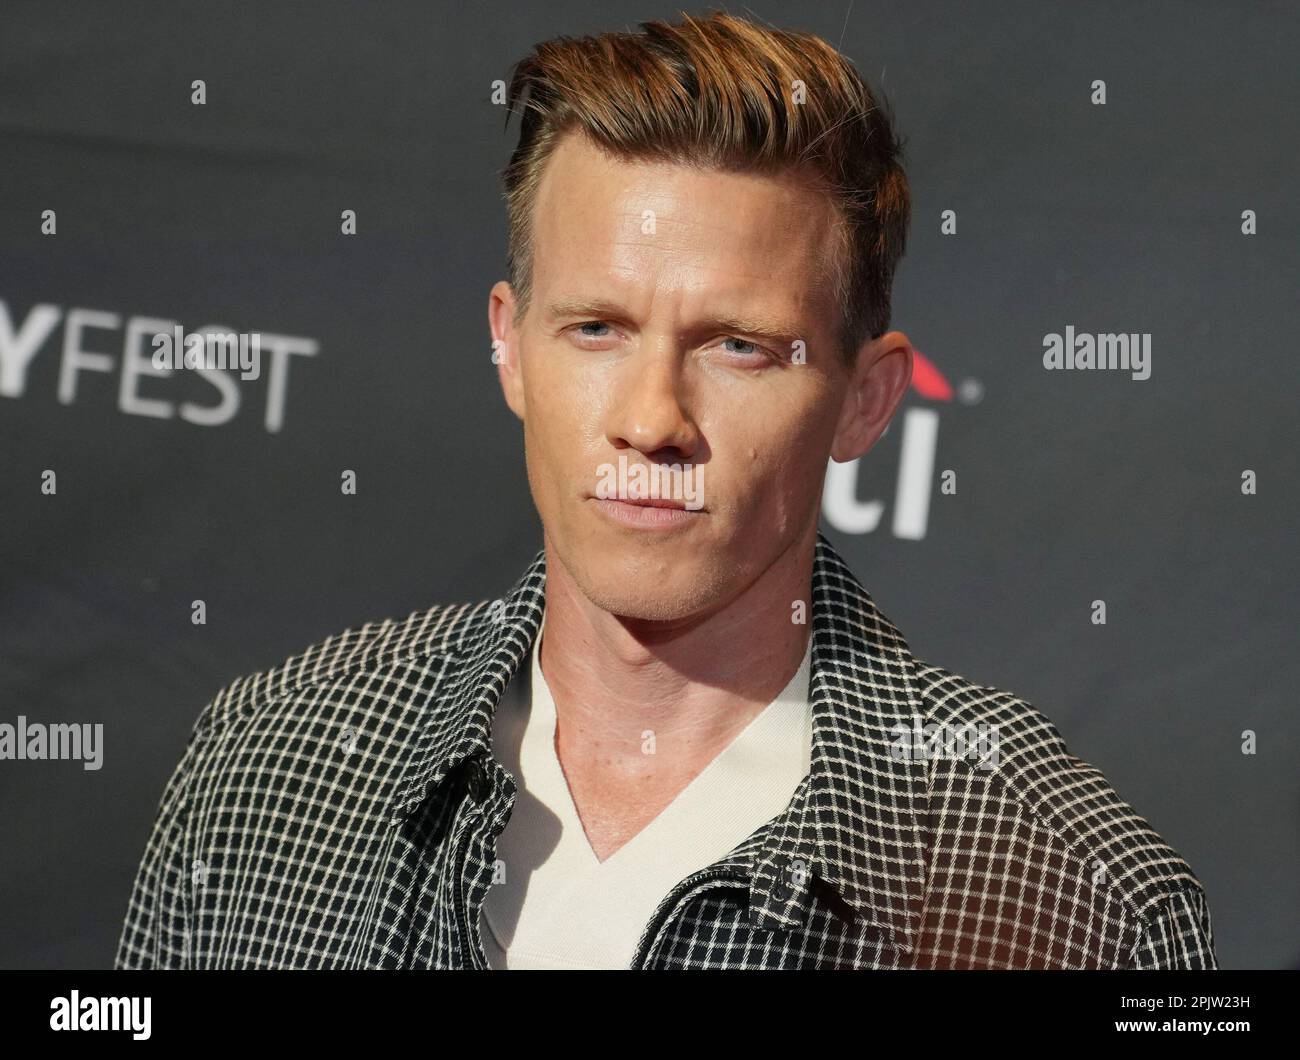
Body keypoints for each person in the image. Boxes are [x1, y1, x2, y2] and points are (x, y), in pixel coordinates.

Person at [116, 10, 1216, 970]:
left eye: (738, 346)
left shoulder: (1078, 895)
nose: (649, 419)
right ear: (510, 349)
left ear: (865, 402)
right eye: (595, 329)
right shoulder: (271, 768)